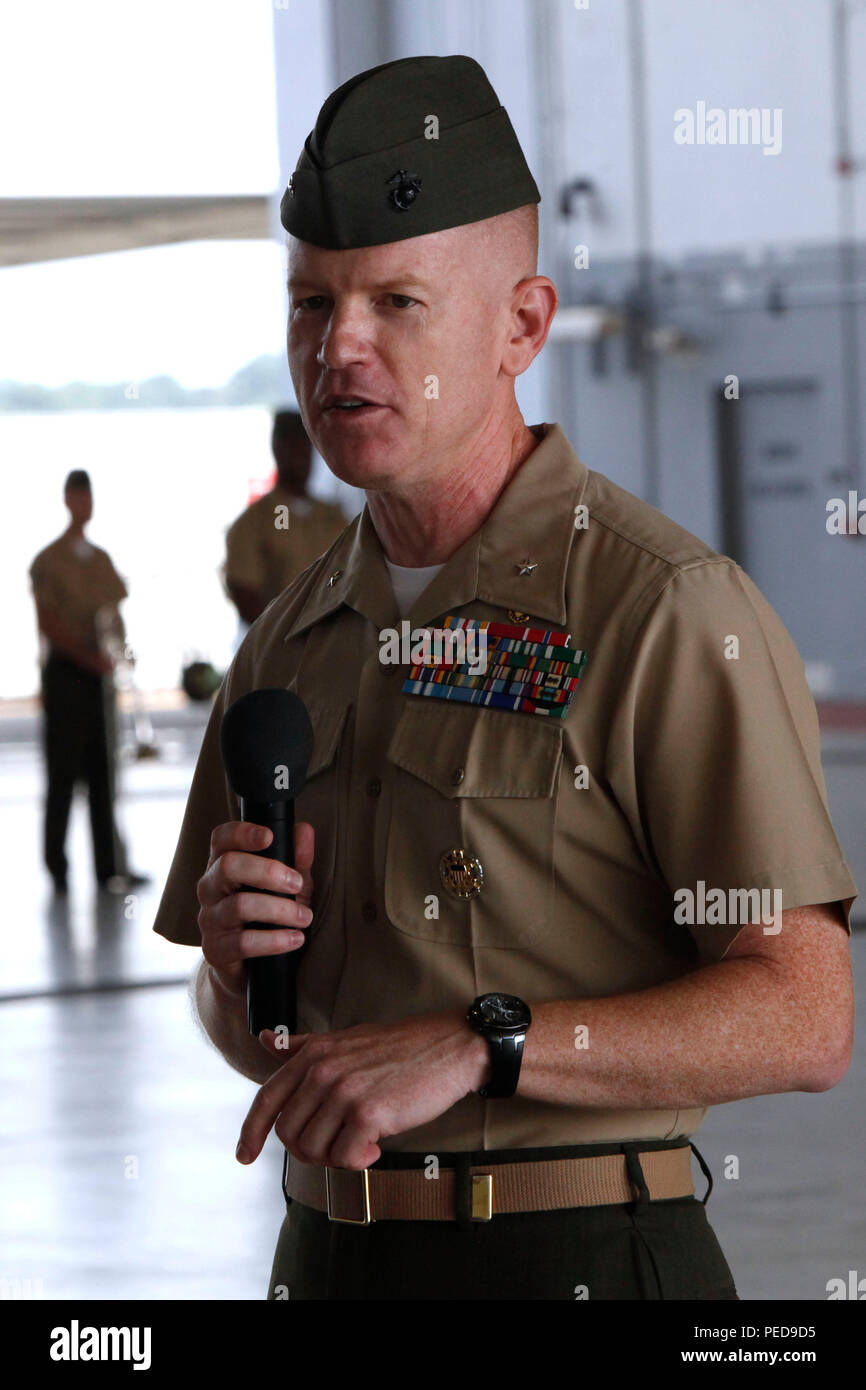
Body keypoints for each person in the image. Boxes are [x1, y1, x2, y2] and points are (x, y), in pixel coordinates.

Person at [153, 55, 857, 1300]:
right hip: (325, 1256)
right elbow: (252, 1040)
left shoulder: (660, 609)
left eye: (396, 303)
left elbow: (801, 1013)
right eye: (311, 305)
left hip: (570, 1256)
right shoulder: (288, 644)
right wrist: (228, 969)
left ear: (520, 326)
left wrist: (485, 1044)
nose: (338, 349)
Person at [30, 470, 149, 895]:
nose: (85, 505)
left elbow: (114, 616)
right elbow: (49, 624)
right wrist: (89, 657)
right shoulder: (49, 560)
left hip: (99, 678)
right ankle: (57, 868)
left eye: (89, 497)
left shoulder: (100, 560)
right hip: (67, 676)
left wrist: (120, 655)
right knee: (63, 774)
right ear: (67, 500)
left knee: (103, 773)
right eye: (78, 497)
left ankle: (108, 865)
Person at [223, 410, 347, 626]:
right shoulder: (253, 523)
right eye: (292, 445)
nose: (300, 455)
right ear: (277, 449)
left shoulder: (333, 516)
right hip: (281, 647)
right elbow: (245, 596)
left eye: (305, 445)